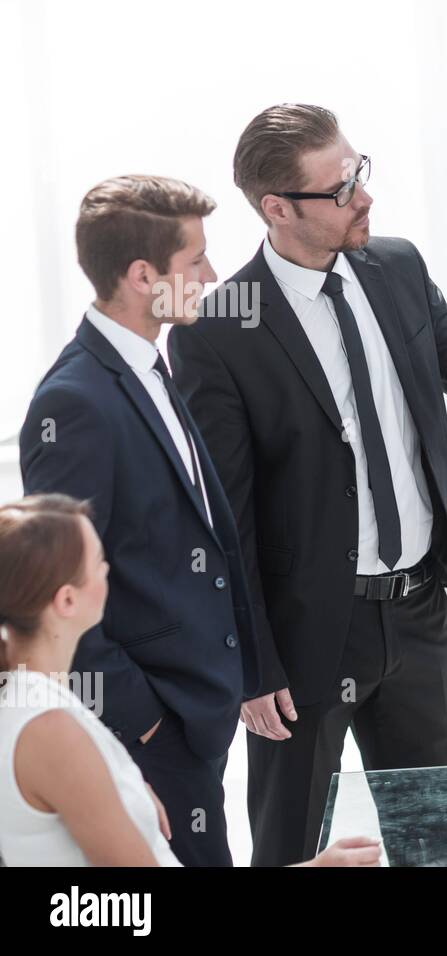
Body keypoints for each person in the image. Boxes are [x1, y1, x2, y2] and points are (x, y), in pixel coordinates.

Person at [168, 103, 447, 867]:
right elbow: (226, 520)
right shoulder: (218, 332)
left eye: (360, 172)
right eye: (341, 188)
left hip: (415, 618)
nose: (365, 197)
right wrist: (250, 662)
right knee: (289, 845)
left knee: (433, 843)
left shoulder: (397, 268)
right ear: (277, 208)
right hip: (307, 634)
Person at [19, 176, 260, 866]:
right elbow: (59, 594)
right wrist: (151, 727)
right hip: (149, 732)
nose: (212, 277)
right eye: (196, 261)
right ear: (141, 274)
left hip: (195, 718)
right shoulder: (75, 404)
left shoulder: (152, 365)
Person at [0, 493, 380, 866]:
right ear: (66, 601)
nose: (109, 569)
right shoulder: (51, 730)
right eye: (99, 561)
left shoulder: (28, 700)